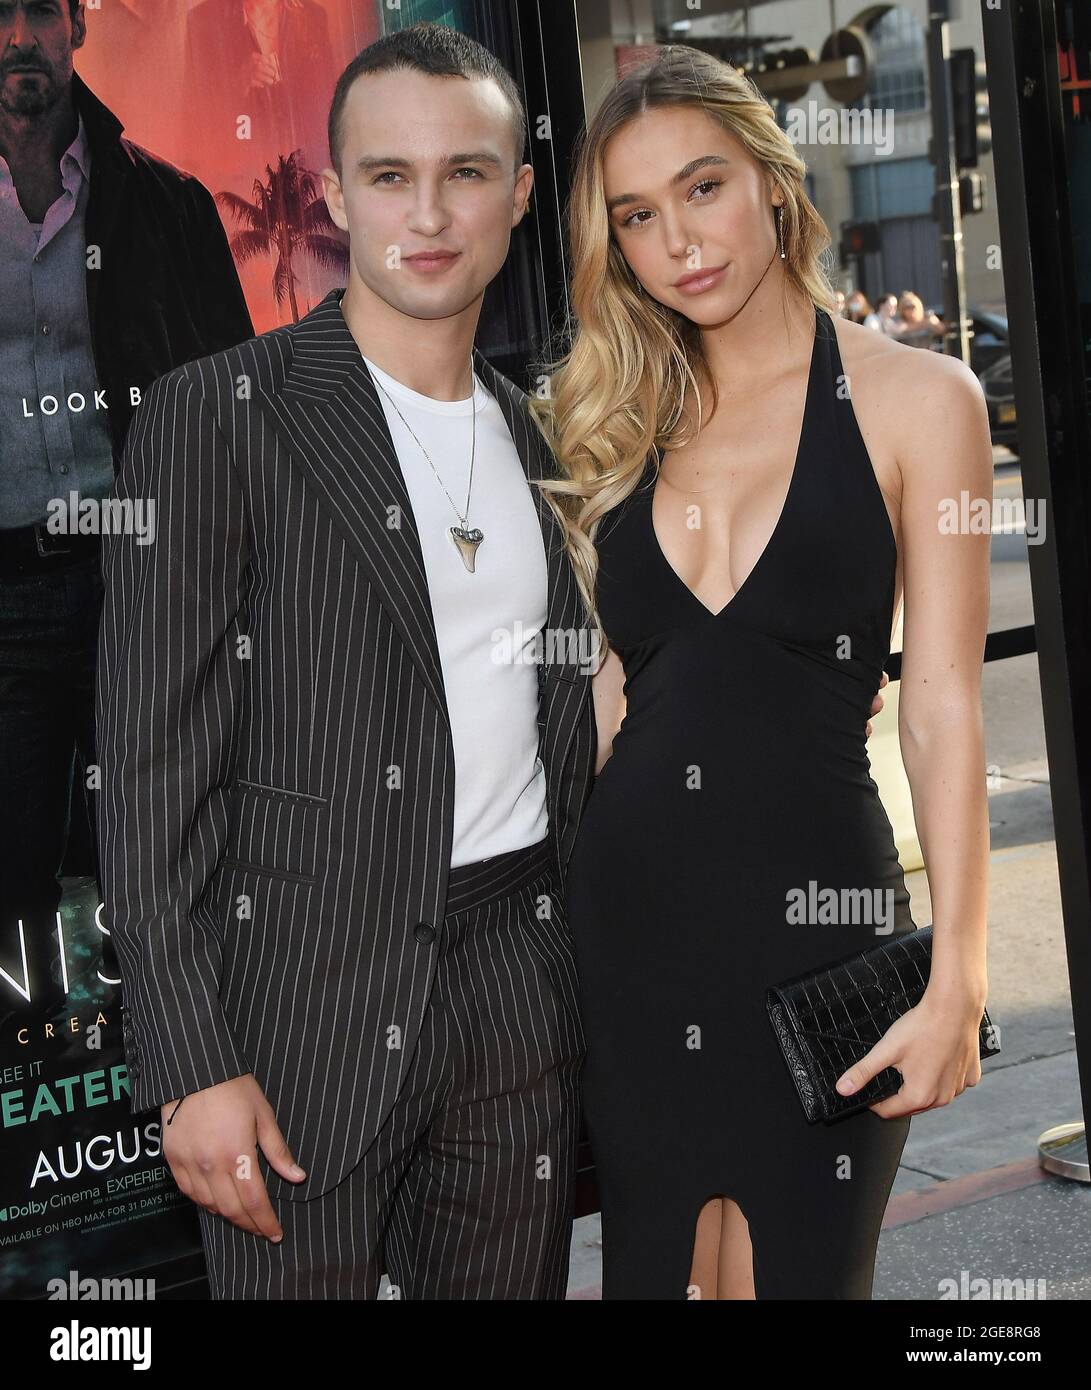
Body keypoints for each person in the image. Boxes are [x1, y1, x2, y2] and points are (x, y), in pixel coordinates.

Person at [537, 47, 991, 1300]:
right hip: (629, 944)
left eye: (702, 189)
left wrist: (959, 965)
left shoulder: (919, 400)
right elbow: (611, 697)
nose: (677, 240)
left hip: (819, 940)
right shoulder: (618, 417)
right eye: (635, 216)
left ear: (772, 186)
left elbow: (944, 706)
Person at [0, 0, 252, 1007]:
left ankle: (164, 1079)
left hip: (138, 577)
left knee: (157, 851)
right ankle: (33, 1094)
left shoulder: (157, 202)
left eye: (39, 11)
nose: (19, 34)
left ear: (75, 26)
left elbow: (237, 403)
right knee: (10, 863)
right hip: (5, 587)